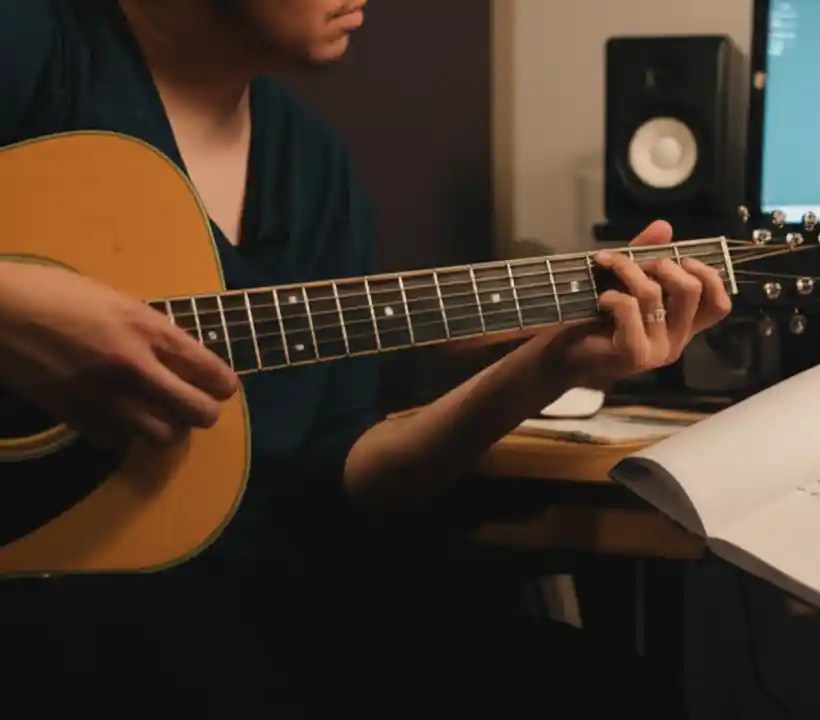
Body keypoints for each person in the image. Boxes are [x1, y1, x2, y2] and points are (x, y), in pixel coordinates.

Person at [0, 1, 731, 716]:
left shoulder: (310, 161)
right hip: (63, 627)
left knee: (608, 690)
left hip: (244, 625)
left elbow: (348, 475)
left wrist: (553, 366)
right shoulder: (30, 47)